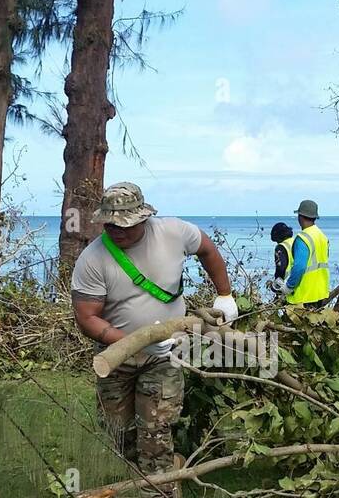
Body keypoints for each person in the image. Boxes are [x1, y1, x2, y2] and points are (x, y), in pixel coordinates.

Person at [71, 182, 237, 472]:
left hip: (164, 356)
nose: (117, 230)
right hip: (116, 355)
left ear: (143, 217)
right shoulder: (92, 259)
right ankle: (155, 470)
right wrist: (133, 341)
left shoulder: (173, 233)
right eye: (110, 224)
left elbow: (208, 249)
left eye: (125, 224)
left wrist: (225, 295)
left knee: (156, 429)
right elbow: (87, 317)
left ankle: (159, 493)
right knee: (117, 432)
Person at [267, 200, 331, 308]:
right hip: (320, 291)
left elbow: (300, 267)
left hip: (305, 294)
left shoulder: (303, 238)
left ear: (300, 217)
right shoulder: (322, 236)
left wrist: (289, 286)